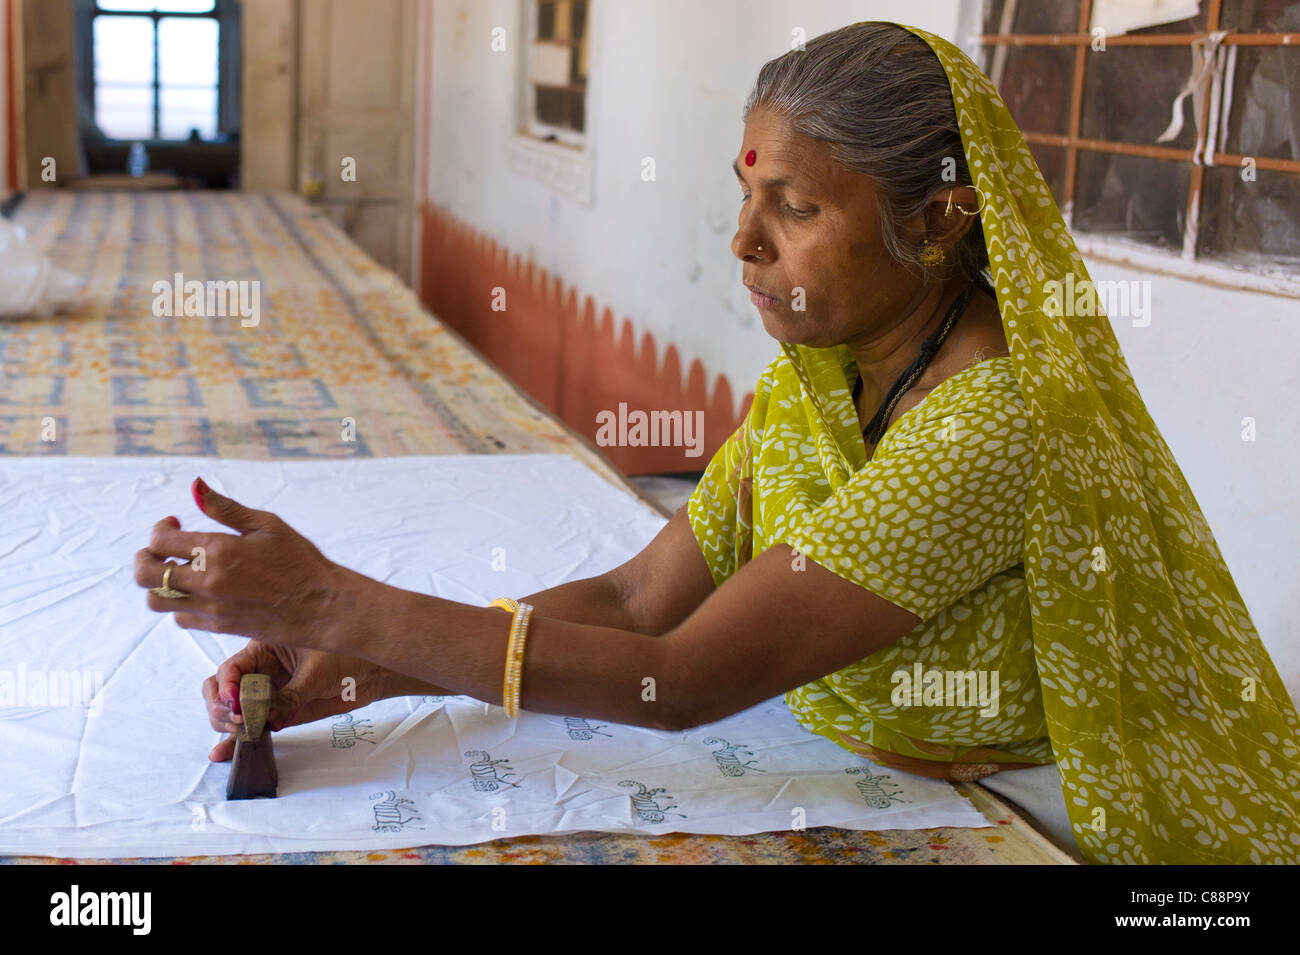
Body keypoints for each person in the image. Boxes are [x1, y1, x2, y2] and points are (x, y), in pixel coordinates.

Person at [137, 21, 1300, 865]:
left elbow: (679, 681)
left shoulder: (991, 420)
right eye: (747, 197)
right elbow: (641, 602)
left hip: (1022, 811)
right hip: (854, 758)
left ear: (938, 221)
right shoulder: (825, 374)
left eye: (795, 209)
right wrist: (338, 675)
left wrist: (336, 604)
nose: (742, 241)